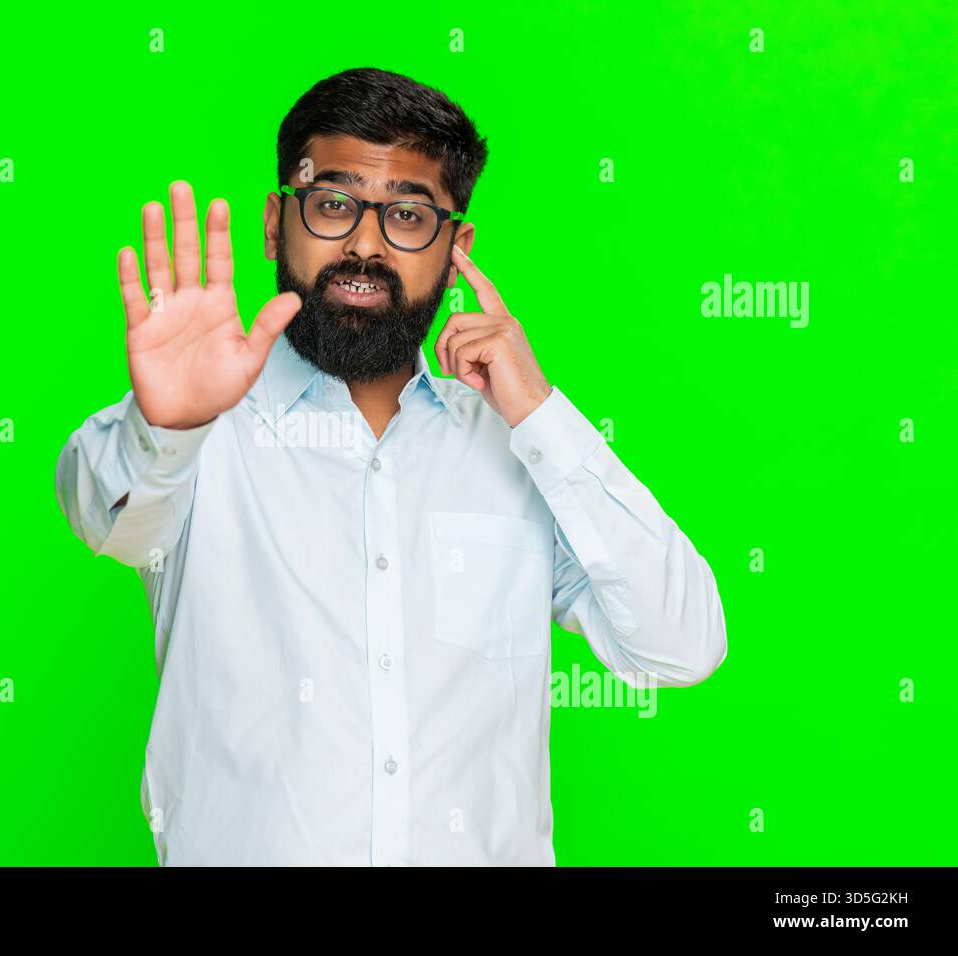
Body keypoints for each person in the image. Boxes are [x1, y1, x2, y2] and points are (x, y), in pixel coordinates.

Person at [55, 67, 727, 866]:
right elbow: (108, 515)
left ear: (456, 248)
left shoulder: (519, 448)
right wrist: (168, 426)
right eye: (333, 204)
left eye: (408, 215)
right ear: (276, 223)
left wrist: (543, 415)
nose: (366, 245)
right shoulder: (202, 432)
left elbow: (681, 645)